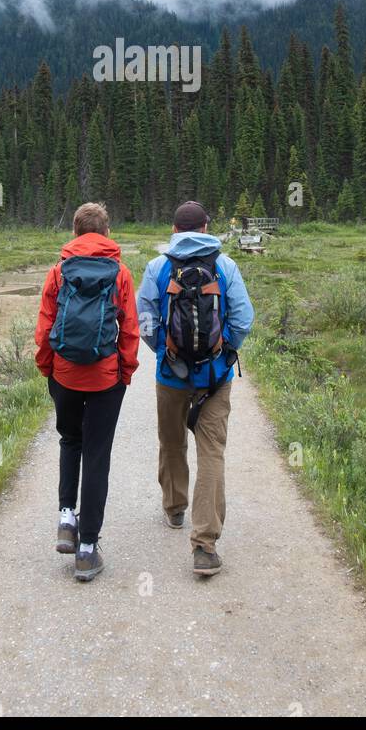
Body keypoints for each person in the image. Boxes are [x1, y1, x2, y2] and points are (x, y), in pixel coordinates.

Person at [137, 201, 254, 576]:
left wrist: (166, 353)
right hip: (214, 379)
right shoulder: (225, 265)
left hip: (171, 376)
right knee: (212, 453)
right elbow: (244, 318)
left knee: (172, 442)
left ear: (174, 229)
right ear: (207, 226)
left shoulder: (158, 266)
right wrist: (224, 353)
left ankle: (175, 509)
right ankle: (204, 546)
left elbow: (145, 320)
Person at [34, 201, 140, 581]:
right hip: (105, 378)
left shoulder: (58, 272)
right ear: (106, 232)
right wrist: (125, 372)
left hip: (64, 374)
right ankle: (87, 548)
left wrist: (47, 366)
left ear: (76, 231)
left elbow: (46, 326)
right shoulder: (121, 274)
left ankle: (66, 518)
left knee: (69, 440)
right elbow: (129, 330)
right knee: (97, 455)